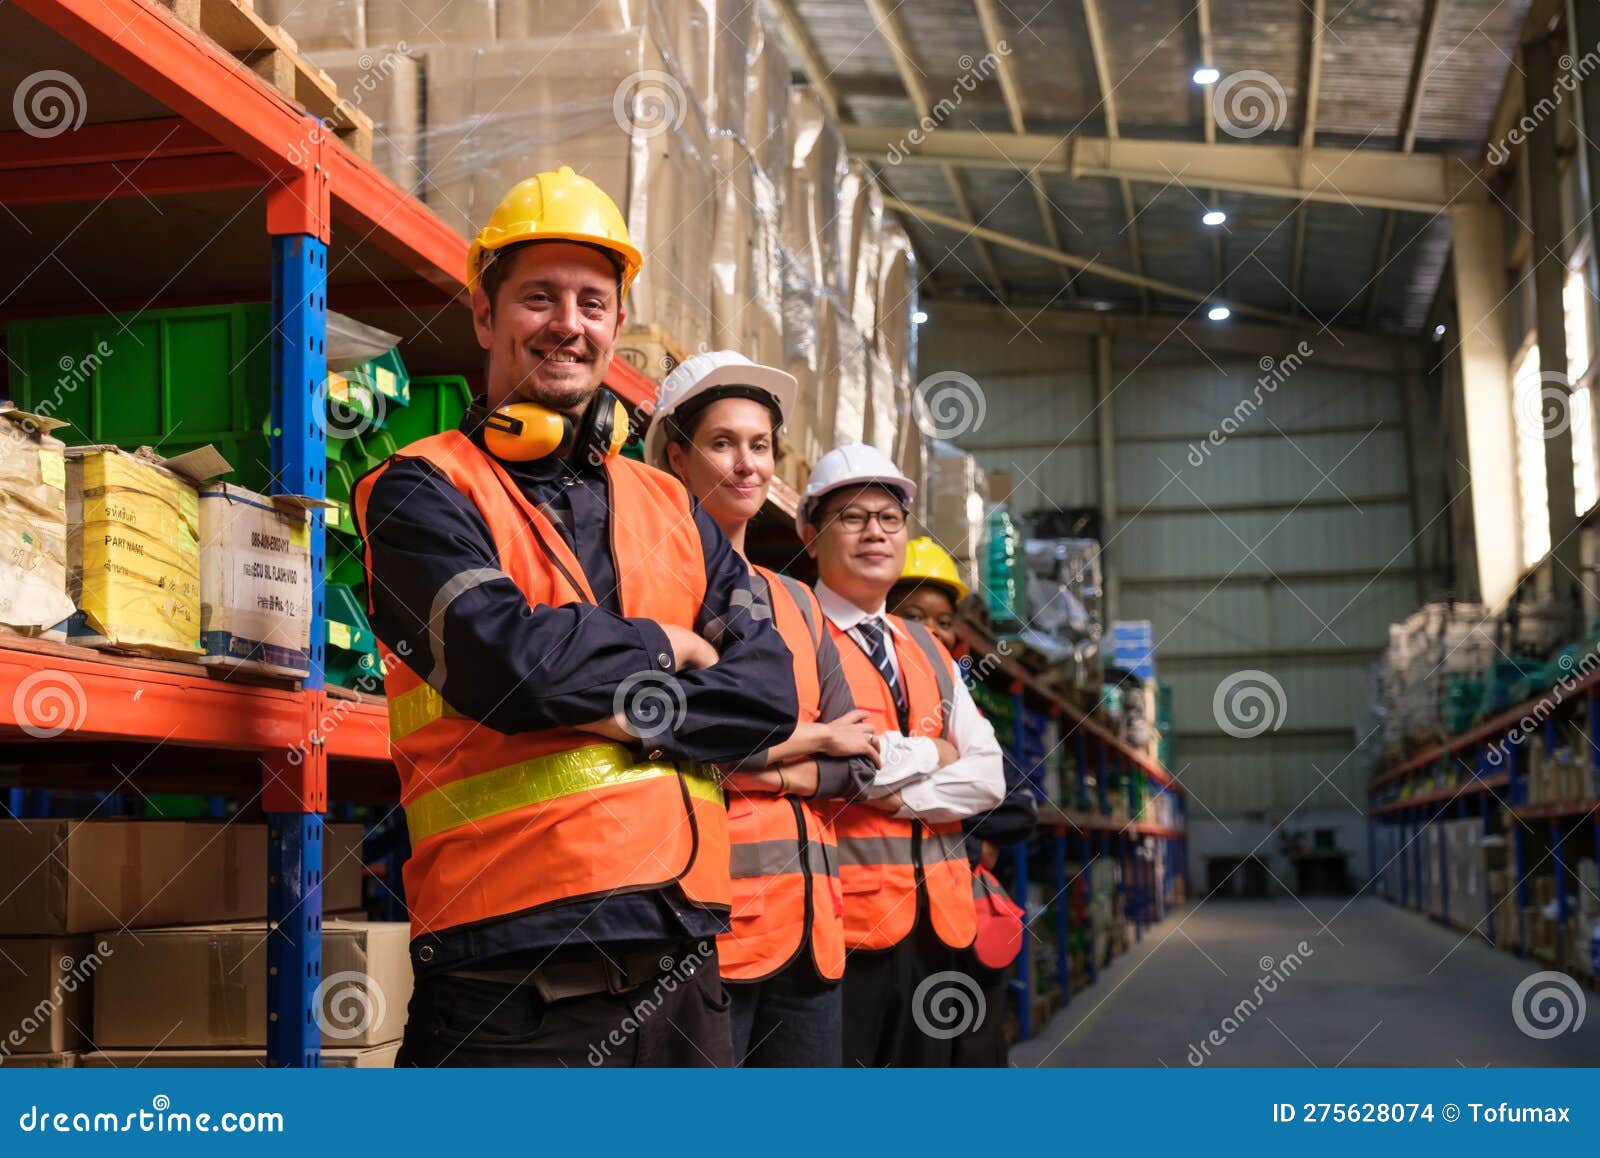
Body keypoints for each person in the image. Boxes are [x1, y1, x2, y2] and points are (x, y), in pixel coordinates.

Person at [353, 168, 798, 1067]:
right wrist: (671, 648)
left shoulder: (671, 505)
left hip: (685, 977)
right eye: (539, 298)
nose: (568, 323)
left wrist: (602, 693)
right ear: (485, 317)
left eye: (593, 302)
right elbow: (503, 663)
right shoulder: (419, 489)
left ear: (616, 326)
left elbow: (767, 696)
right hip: (512, 984)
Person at [646, 350, 880, 1066]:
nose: (748, 464)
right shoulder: (652, 592)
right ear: (678, 458)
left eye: (760, 446)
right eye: (723, 444)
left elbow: (862, 761)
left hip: (813, 935)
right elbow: (667, 736)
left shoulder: (800, 603)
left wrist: (765, 765)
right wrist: (814, 737)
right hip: (706, 930)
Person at [797, 444, 1006, 1067]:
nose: (874, 533)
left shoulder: (926, 646)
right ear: (811, 535)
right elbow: (841, 764)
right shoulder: (794, 628)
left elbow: (990, 776)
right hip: (843, 925)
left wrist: (897, 788)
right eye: (852, 518)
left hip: (937, 924)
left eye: (889, 519)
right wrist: (937, 754)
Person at [890, 535, 1036, 1067]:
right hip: (893, 928)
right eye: (913, 614)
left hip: (963, 927)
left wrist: (954, 827)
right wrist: (950, 771)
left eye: (943, 619)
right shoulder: (865, 695)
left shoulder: (962, 705)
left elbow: (1017, 805)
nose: (931, 629)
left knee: (974, 1055)